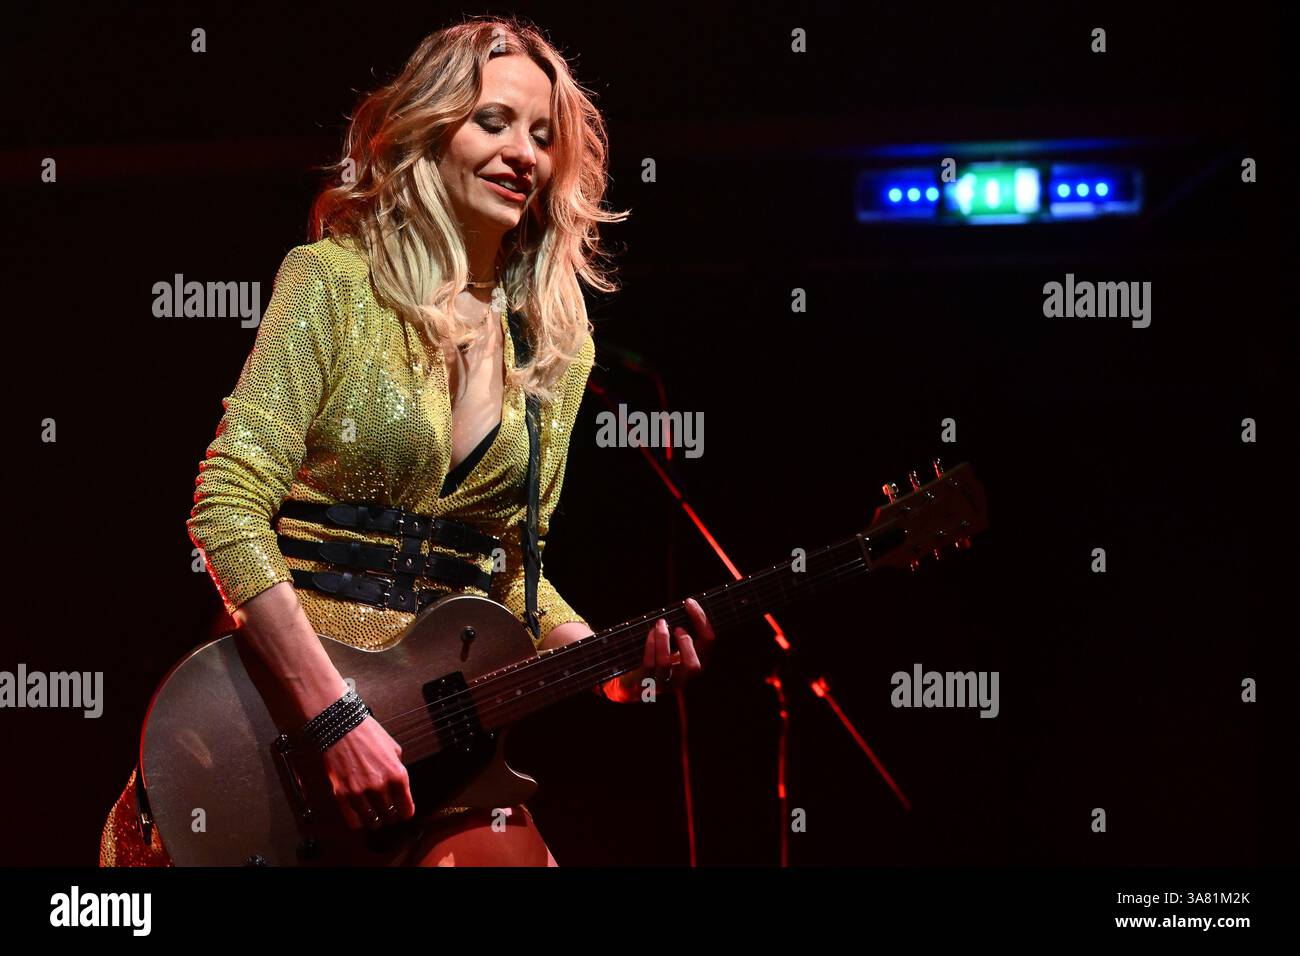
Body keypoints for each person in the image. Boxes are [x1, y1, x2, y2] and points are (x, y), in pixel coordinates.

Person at [98, 15, 714, 868]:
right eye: (493, 122)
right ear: (429, 129)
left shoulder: (556, 348)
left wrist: (611, 665)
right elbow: (227, 508)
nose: (523, 154)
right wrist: (335, 716)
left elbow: (513, 574)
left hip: (445, 750)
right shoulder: (331, 283)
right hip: (278, 728)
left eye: (542, 135)